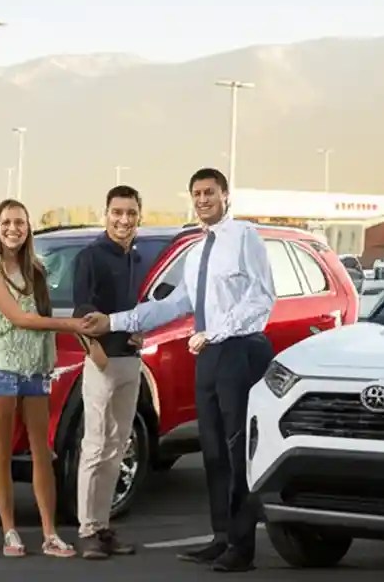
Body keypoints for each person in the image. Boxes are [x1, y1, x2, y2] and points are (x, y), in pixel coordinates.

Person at [84, 168, 276, 573]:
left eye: (210, 192)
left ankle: (242, 547)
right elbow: (175, 305)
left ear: (226, 195)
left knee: (236, 449)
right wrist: (114, 322)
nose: (203, 199)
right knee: (211, 450)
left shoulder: (245, 238)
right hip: (207, 355)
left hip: (239, 350)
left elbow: (262, 298)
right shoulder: (197, 251)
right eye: (197, 193)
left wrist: (214, 332)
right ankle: (220, 537)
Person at [0, 199, 88, 558]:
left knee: (43, 450)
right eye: (6, 222)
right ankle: (10, 531)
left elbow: (41, 324)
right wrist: (70, 324)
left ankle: (50, 533)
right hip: (1, 371)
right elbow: (20, 320)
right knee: (3, 451)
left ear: (28, 229)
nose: (13, 228)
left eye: (20, 222)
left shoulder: (37, 272)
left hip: (36, 371)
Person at [71, 185, 148, 559]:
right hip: (102, 364)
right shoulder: (90, 256)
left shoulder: (137, 257)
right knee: (96, 444)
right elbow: (80, 311)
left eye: (131, 213)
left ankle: (103, 526)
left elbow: (136, 309)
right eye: (117, 212)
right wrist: (95, 352)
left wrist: (138, 333)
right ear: (107, 214)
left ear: (139, 216)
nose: (124, 219)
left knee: (118, 446)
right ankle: (87, 530)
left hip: (131, 362)